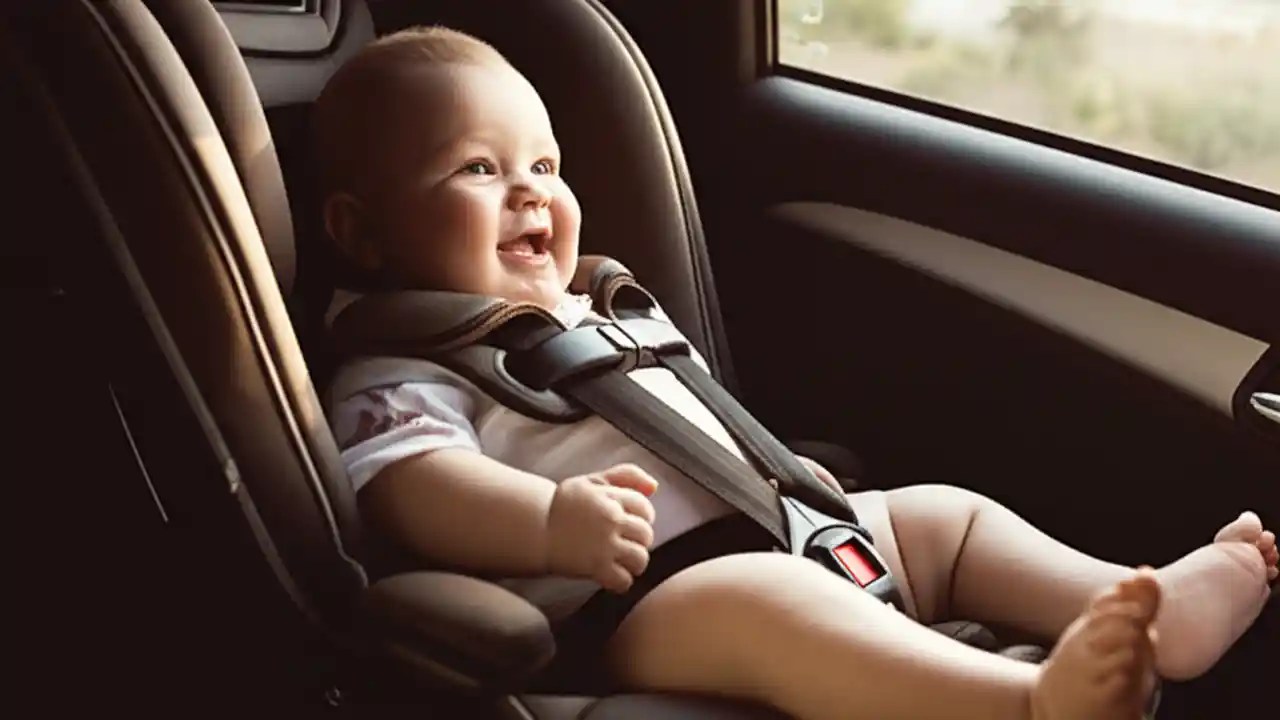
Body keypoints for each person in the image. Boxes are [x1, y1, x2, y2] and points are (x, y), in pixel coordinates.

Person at [313, 26, 1278, 720]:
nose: (530, 190)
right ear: (362, 231)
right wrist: (549, 522)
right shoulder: (401, 365)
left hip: (792, 521)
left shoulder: (593, 308)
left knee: (945, 516)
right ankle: (1024, 702)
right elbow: (410, 487)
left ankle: (1142, 605)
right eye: (477, 170)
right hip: (637, 605)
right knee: (778, 611)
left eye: (545, 163)